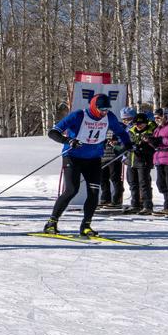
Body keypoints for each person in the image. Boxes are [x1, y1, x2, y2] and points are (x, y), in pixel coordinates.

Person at [41, 93, 131, 237]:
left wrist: (127, 144)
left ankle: (86, 225)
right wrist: (69, 140)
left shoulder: (110, 117)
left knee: (95, 192)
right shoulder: (78, 115)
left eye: (107, 109)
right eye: (102, 109)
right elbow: (53, 132)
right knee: (72, 190)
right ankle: (52, 222)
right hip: (73, 157)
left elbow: (121, 132)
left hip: (94, 159)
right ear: (94, 107)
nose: (104, 112)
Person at [122, 108, 157, 215]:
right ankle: (135, 205)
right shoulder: (131, 131)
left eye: (141, 123)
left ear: (146, 123)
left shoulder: (150, 132)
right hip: (131, 161)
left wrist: (143, 148)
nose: (139, 125)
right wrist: (125, 148)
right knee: (132, 184)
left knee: (144, 184)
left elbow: (154, 148)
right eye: (137, 123)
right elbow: (125, 144)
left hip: (143, 162)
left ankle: (147, 205)